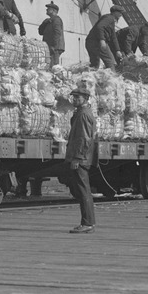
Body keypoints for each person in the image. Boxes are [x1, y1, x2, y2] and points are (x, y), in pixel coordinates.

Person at [66, 80, 97, 234]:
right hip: (81, 157)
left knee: (83, 191)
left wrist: (77, 158)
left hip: (81, 158)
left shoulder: (84, 115)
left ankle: (87, 223)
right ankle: (87, 222)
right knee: (82, 190)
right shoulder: (80, 113)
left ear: (85, 98)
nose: (74, 99)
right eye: (74, 97)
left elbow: (84, 139)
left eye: (77, 97)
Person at [38, 1, 65, 66]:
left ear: (53, 10)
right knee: (48, 66)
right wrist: (44, 23)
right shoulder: (49, 21)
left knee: (53, 67)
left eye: (48, 8)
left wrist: (54, 46)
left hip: (54, 48)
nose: (46, 9)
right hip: (49, 47)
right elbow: (40, 32)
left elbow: (57, 33)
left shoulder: (56, 20)